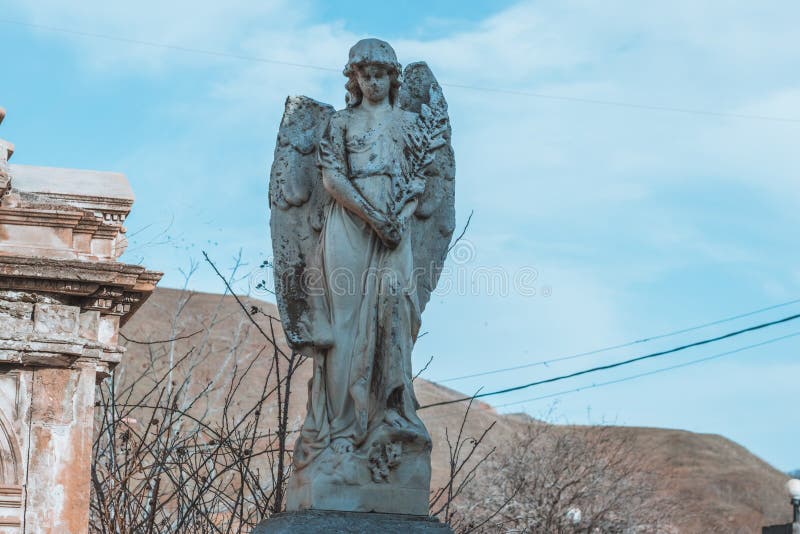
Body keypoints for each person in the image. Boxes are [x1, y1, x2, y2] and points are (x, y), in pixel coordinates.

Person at [292, 38, 430, 469]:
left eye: (381, 74)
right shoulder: (339, 123)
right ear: (353, 79)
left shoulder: (411, 124)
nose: (372, 81)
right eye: (363, 74)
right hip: (350, 226)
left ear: (393, 77)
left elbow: (418, 183)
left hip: (395, 231)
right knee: (346, 329)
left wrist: (399, 220)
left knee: (396, 317)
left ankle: (388, 418)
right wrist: (374, 216)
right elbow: (332, 178)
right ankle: (339, 431)